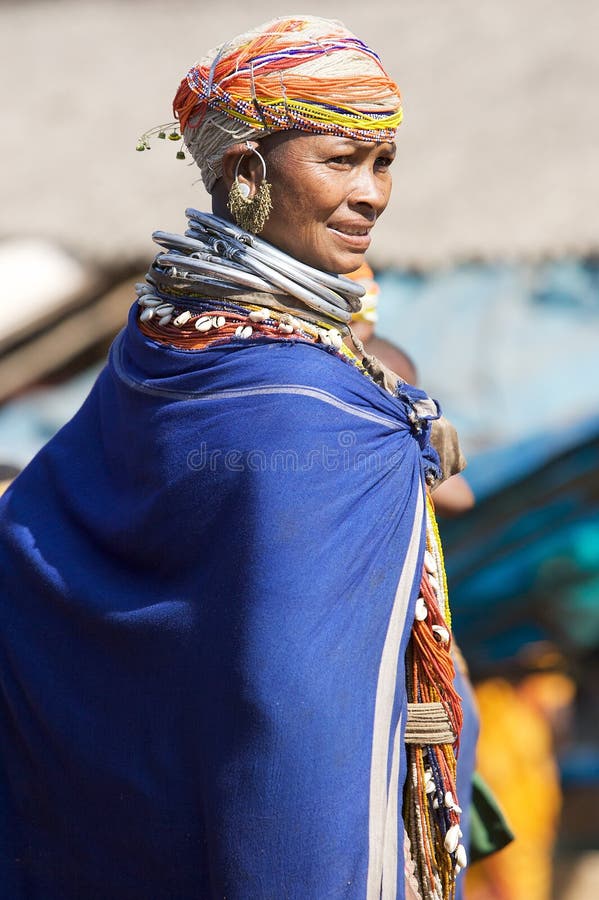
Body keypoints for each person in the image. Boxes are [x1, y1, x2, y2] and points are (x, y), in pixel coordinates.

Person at [0, 16, 470, 899]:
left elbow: (33, 549)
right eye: (340, 160)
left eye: (383, 161)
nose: (372, 193)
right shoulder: (313, 415)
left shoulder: (157, 351)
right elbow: (291, 715)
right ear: (246, 171)